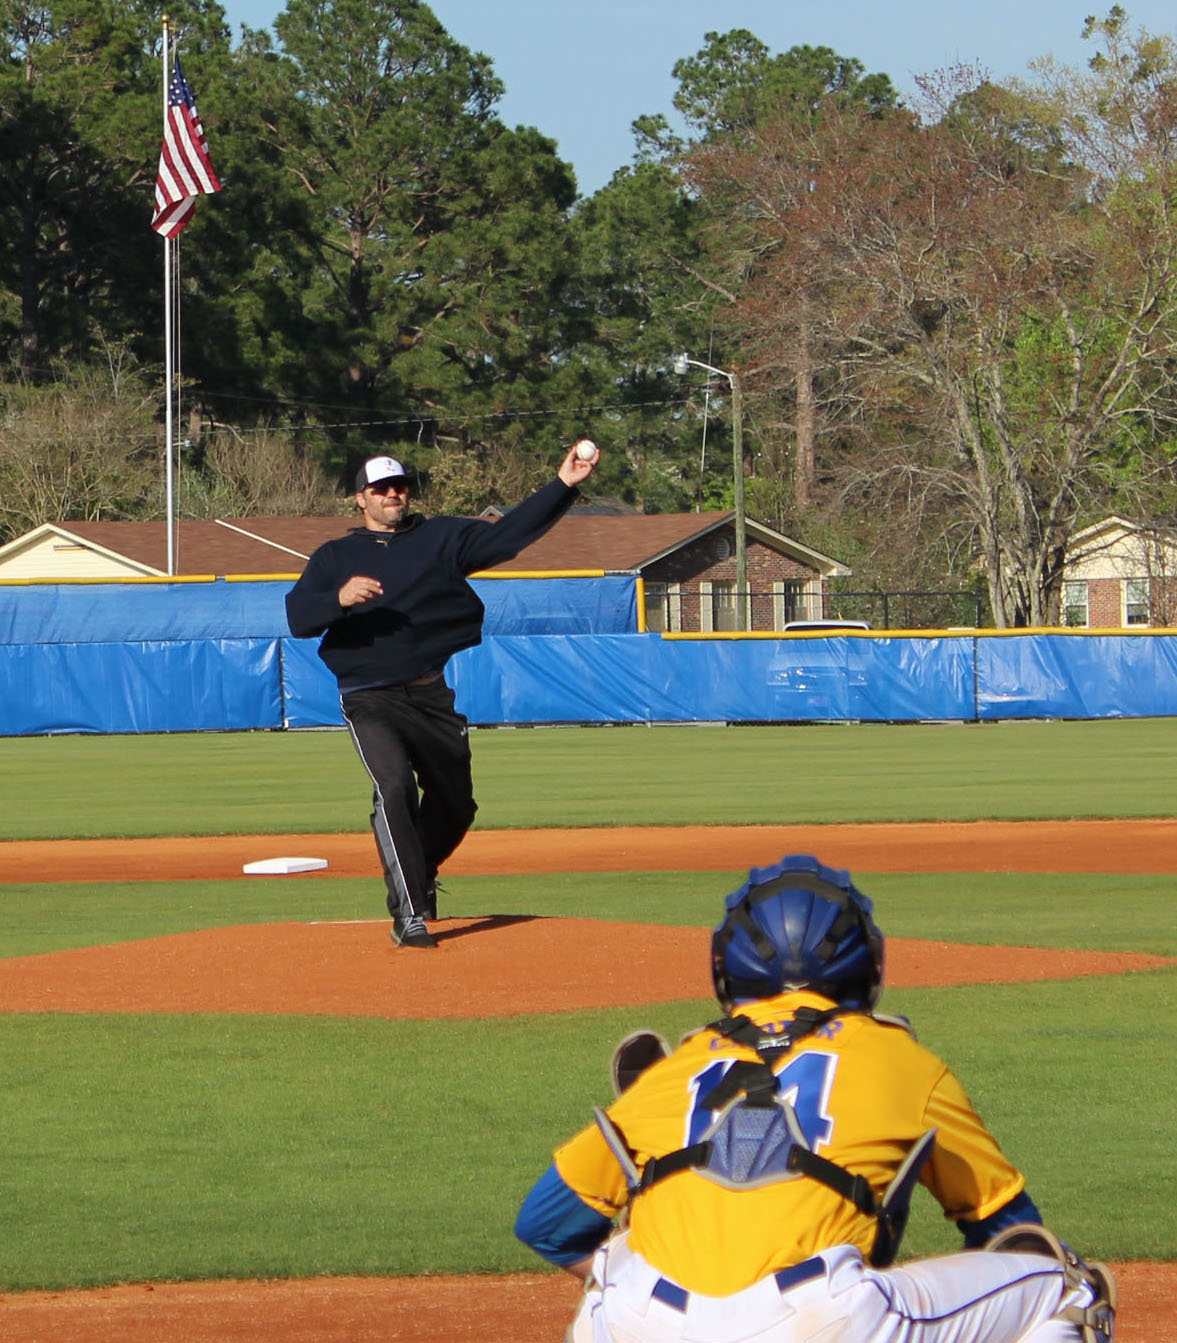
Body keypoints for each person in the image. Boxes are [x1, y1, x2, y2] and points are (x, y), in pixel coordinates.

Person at [515, 854, 1115, 1343]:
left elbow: (545, 1225)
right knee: (1062, 1283)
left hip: (638, 1323)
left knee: (617, 1267)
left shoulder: (679, 1066)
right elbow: (1012, 1230)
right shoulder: (900, 1059)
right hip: (817, 1317)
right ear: (867, 965)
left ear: (728, 968)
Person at [285, 441, 598, 949]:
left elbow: (511, 536)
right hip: (368, 696)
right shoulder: (335, 557)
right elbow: (299, 617)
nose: (393, 494)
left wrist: (563, 485)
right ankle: (409, 914)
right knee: (394, 788)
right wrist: (338, 600)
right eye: (380, 488)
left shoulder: (441, 538)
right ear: (359, 498)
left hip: (429, 693)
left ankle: (419, 869)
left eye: (399, 485)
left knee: (457, 805)